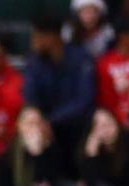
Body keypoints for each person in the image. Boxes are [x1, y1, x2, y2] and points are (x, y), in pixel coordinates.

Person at [26, 17, 100, 149]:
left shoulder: (81, 58)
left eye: (37, 37)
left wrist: (53, 119)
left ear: (51, 37)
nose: (33, 42)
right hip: (48, 127)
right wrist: (41, 119)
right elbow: (31, 97)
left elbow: (85, 99)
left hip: (77, 125)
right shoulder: (35, 61)